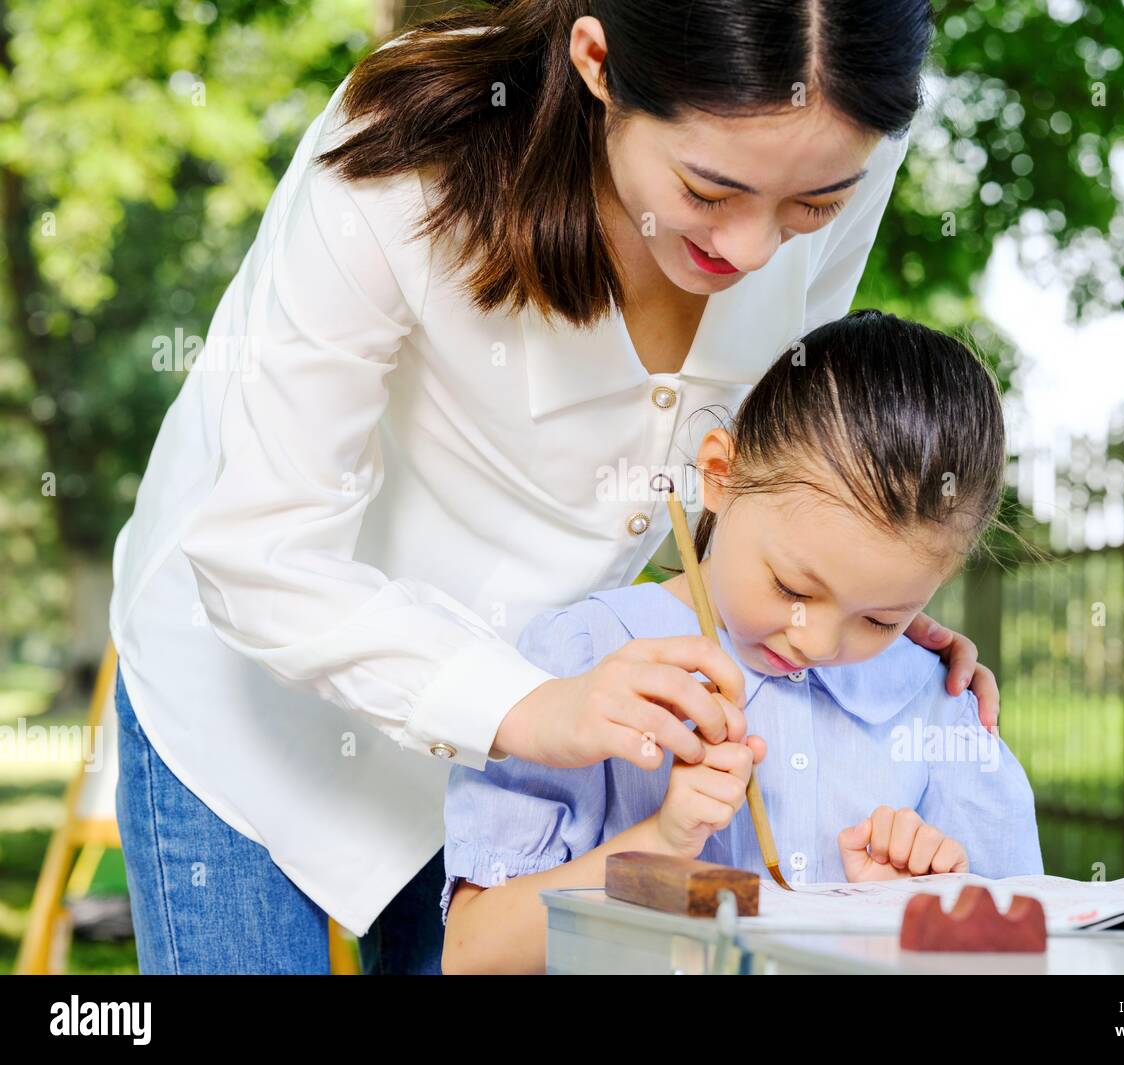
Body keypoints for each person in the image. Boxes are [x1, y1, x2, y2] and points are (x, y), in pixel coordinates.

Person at [109, 1, 999, 974]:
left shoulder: (833, 134)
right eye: (709, 190)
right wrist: (534, 709)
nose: (751, 253)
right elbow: (255, 552)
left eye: (812, 210)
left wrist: (845, 605)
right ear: (599, 62)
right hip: (261, 708)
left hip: (542, 751)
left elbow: (772, 463)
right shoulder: (402, 154)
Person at [441, 310, 1042, 974]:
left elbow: (1021, 955)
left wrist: (913, 915)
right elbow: (474, 953)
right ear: (720, 476)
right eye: (792, 586)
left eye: (881, 618)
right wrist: (662, 842)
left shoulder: (940, 704)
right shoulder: (586, 654)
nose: (815, 641)